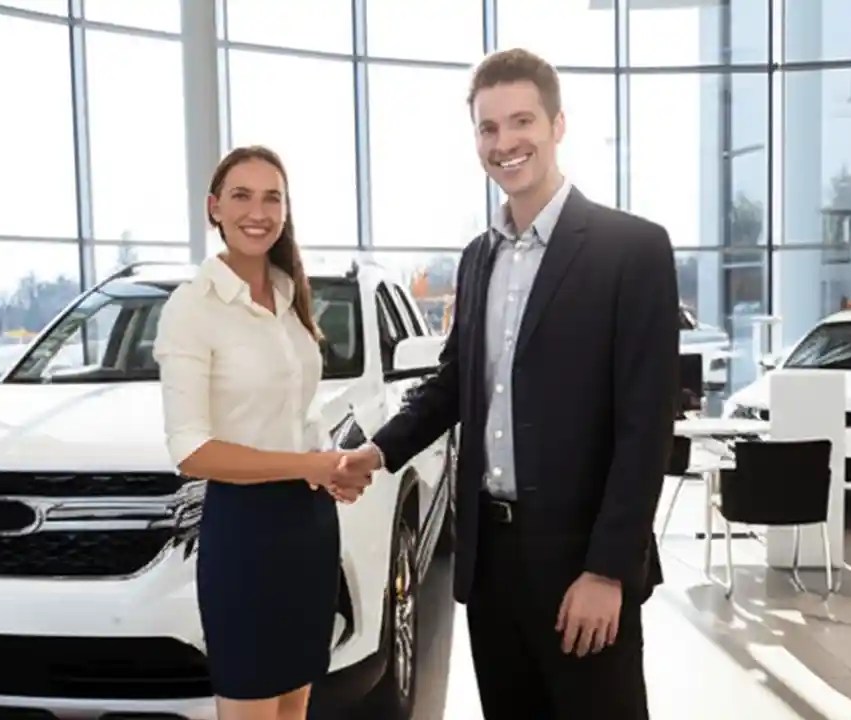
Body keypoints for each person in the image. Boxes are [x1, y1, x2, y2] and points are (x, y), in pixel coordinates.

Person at [337, 48, 679, 719]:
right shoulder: (477, 257)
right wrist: (374, 454)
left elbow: (646, 428)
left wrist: (608, 570)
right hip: (490, 564)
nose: (505, 142)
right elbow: (456, 381)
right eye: (488, 129)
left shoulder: (631, 249)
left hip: (581, 561)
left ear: (557, 125)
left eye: (521, 121)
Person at [154, 145, 370, 720]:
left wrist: (330, 468)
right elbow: (192, 452)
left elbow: (294, 419)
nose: (258, 211)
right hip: (246, 534)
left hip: (309, 526)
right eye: (241, 195)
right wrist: (308, 467)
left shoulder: (286, 292)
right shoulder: (192, 308)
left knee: (295, 705)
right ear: (214, 208)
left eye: (271, 196)